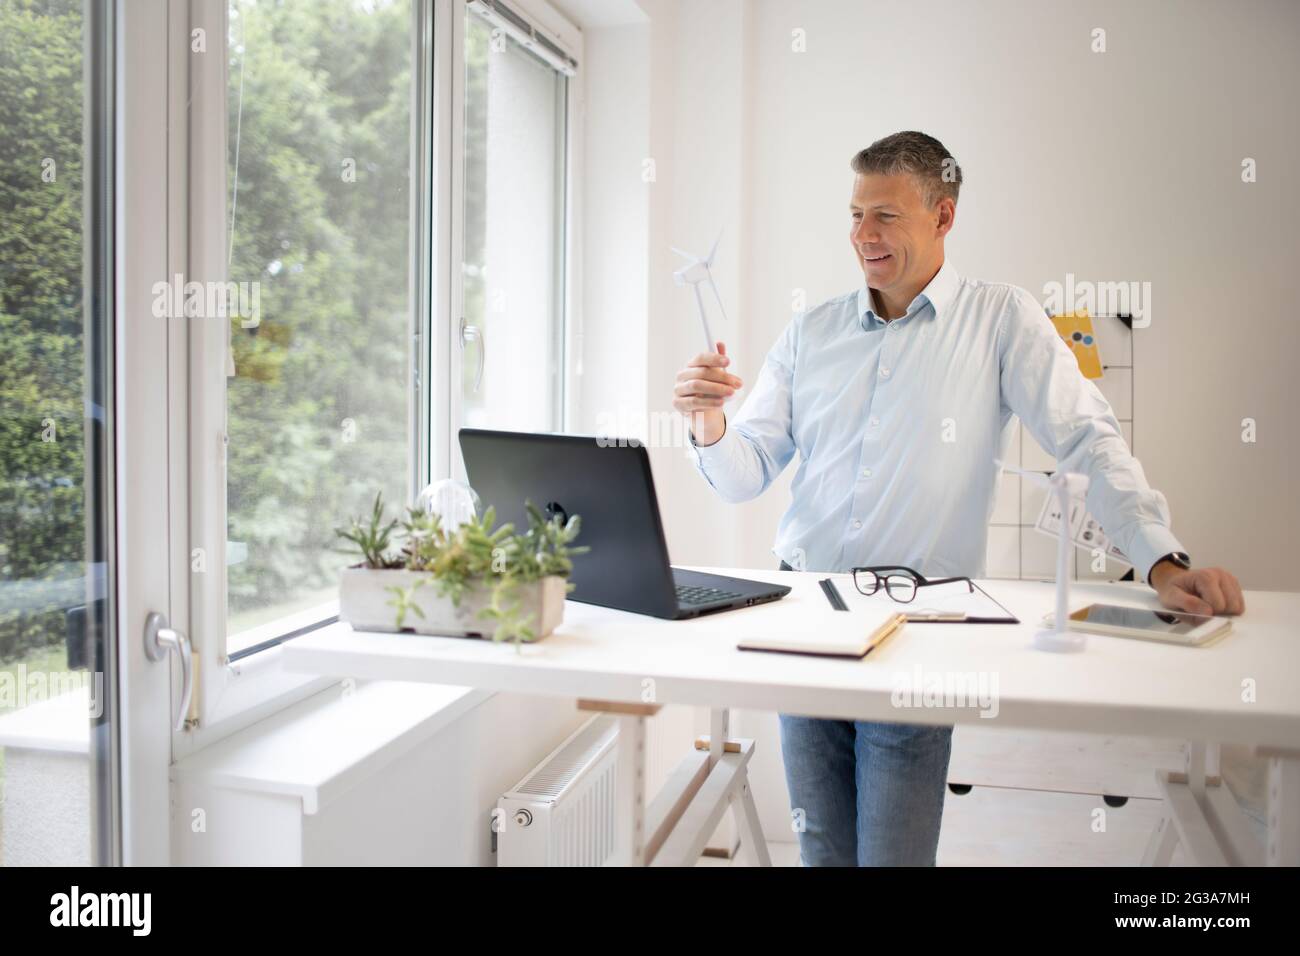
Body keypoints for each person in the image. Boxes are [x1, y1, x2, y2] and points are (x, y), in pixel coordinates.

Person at [671, 130, 1245, 867]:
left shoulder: (1001, 320)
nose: (863, 236)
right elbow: (744, 475)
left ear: (943, 216)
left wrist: (1161, 559)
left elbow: (1088, 441)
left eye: (885, 215)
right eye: (854, 215)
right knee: (821, 851)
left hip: (922, 633)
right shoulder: (809, 333)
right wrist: (710, 424)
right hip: (805, 626)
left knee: (894, 857)